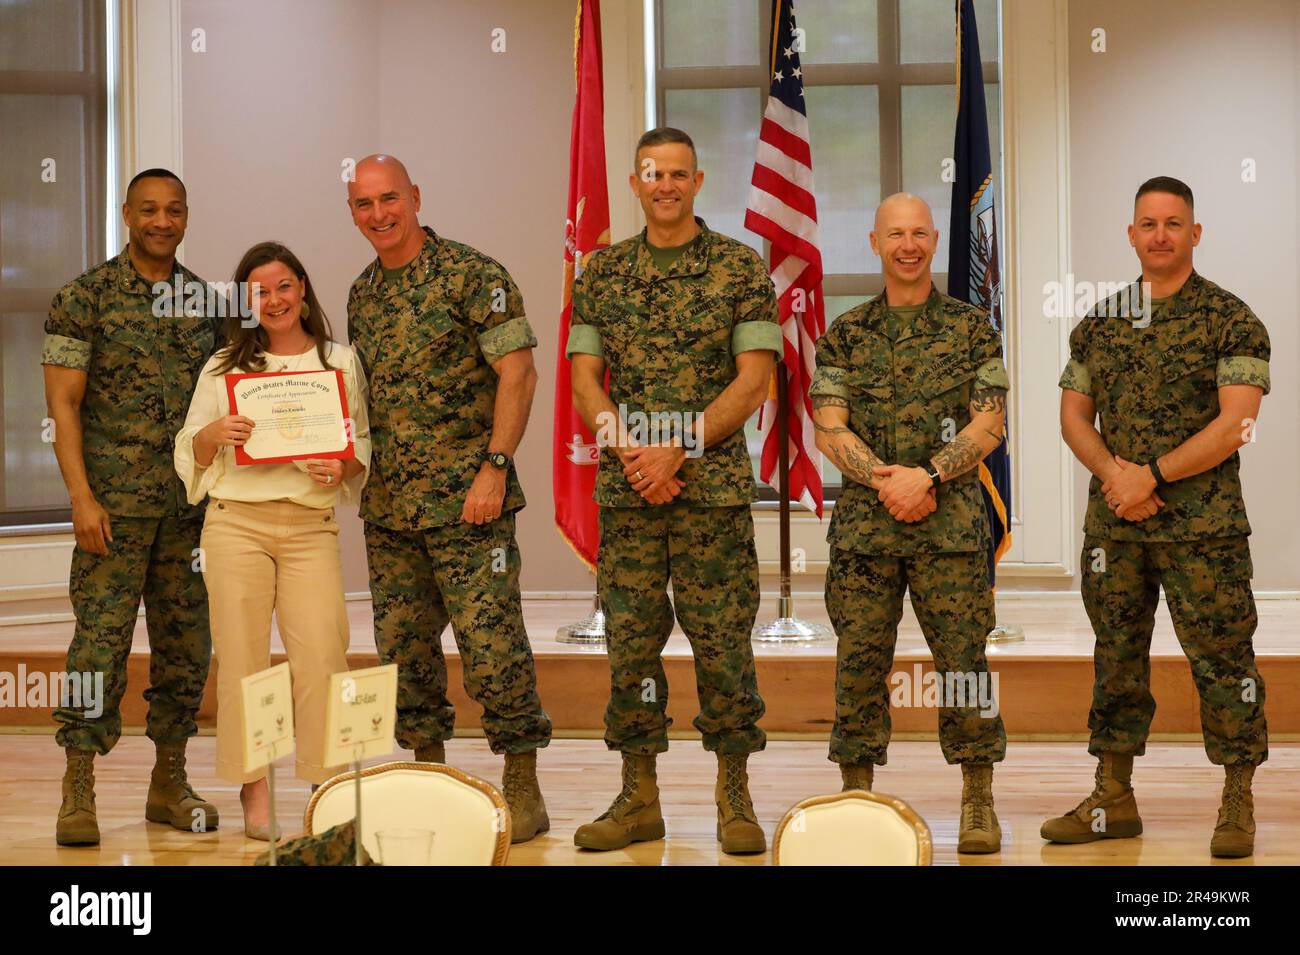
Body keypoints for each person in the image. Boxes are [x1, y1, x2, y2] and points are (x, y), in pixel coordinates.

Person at [567, 127, 780, 855]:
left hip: (709, 495)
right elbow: (584, 380)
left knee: (723, 648)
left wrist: (677, 448)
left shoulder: (738, 268)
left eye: (679, 175)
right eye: (652, 174)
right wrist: (631, 451)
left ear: (697, 182)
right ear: (635, 184)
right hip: (630, 496)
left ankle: (734, 793)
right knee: (630, 648)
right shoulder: (600, 272)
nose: (666, 186)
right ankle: (638, 796)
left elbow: (754, 380)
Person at [1044, 176, 1269, 858]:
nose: (1161, 234)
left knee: (1225, 661)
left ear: (1195, 233)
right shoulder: (1102, 321)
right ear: (1132, 233)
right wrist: (1118, 476)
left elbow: (1237, 424)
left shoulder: (1232, 319)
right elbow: (1073, 417)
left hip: (1205, 529)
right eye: (1149, 223)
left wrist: (1153, 474)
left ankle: (1237, 798)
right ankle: (1113, 797)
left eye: (1174, 223)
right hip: (1117, 529)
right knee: (1116, 660)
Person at [344, 154, 552, 844]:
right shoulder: (362, 293)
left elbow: (517, 374)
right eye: (364, 204)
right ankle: (428, 773)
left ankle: (521, 779)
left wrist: (495, 467)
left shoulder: (474, 275)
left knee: (493, 648)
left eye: (389, 198)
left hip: (472, 505)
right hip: (392, 511)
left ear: (416, 197)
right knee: (403, 655)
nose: (379, 214)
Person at [810, 192, 1009, 854]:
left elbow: (989, 423)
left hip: (949, 527)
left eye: (919, 232)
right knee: (859, 663)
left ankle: (977, 796)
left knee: (962, 663)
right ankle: (856, 794)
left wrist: (926, 475)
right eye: (895, 233)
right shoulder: (846, 334)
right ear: (874, 242)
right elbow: (829, 426)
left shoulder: (973, 329)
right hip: (867, 531)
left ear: (933, 240)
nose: (908, 244)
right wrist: (886, 480)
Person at [42, 168, 220, 846]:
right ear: (126, 213)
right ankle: (77, 784)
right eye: (149, 209)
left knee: (185, 652)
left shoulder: (204, 301)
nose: (162, 220)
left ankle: (169, 781)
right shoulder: (83, 298)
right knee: (97, 651)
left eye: (174, 209)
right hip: (111, 513)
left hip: (189, 515)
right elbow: (62, 405)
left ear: (185, 216)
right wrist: (80, 497)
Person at [174, 242, 370, 840]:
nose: (275, 299)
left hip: (310, 528)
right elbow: (190, 450)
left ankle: (327, 787)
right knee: (243, 664)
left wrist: (343, 467)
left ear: (303, 289)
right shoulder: (223, 367)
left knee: (323, 660)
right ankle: (254, 789)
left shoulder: (339, 361)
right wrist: (213, 433)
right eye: (261, 291)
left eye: (284, 286)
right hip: (236, 525)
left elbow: (358, 442)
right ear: (247, 302)